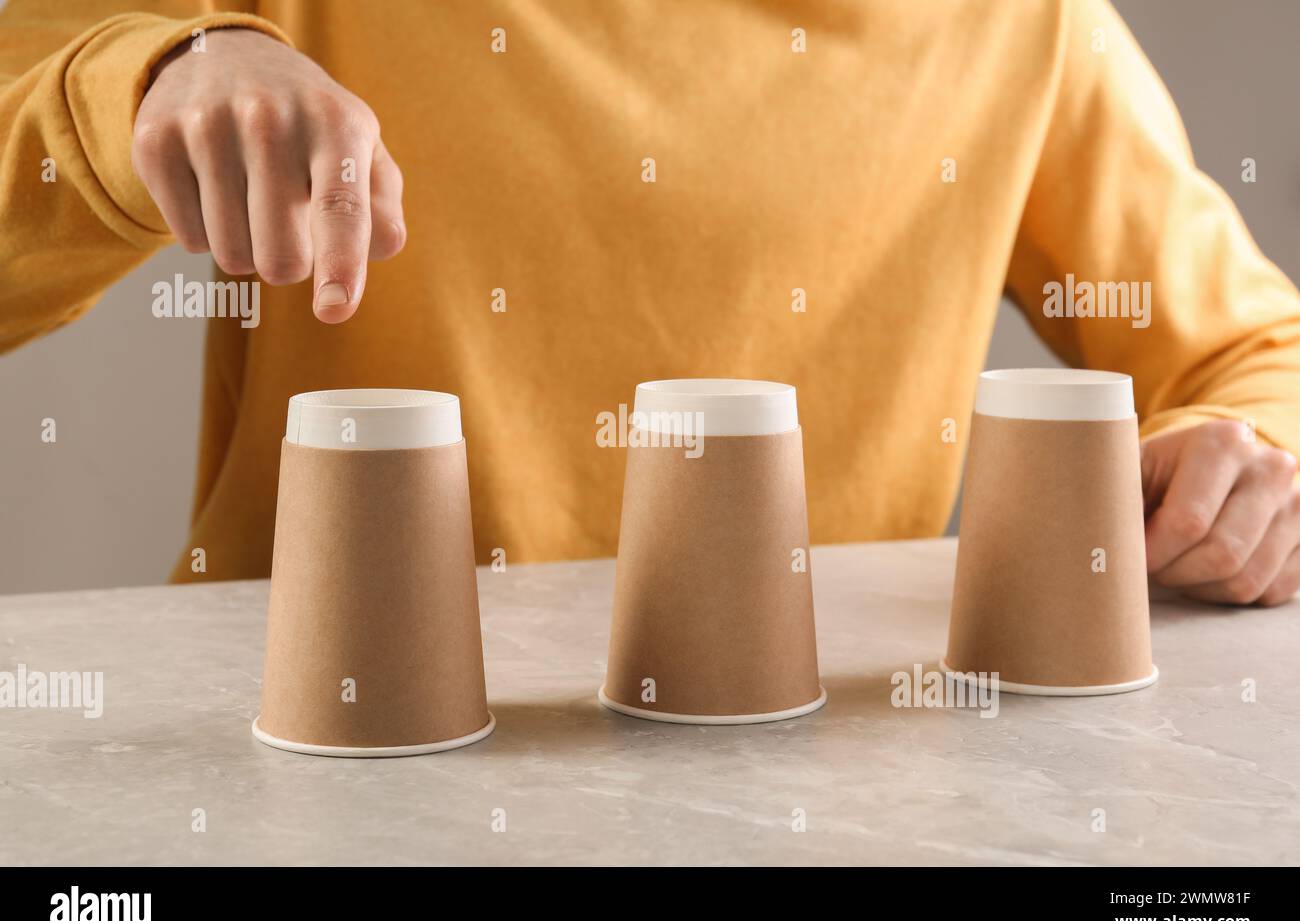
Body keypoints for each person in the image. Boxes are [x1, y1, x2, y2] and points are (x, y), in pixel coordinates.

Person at [2, 1, 1298, 605]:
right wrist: (150, 84)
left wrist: (1253, 469)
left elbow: (1257, 351)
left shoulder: (1018, 23)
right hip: (322, 761)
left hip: (808, 781)